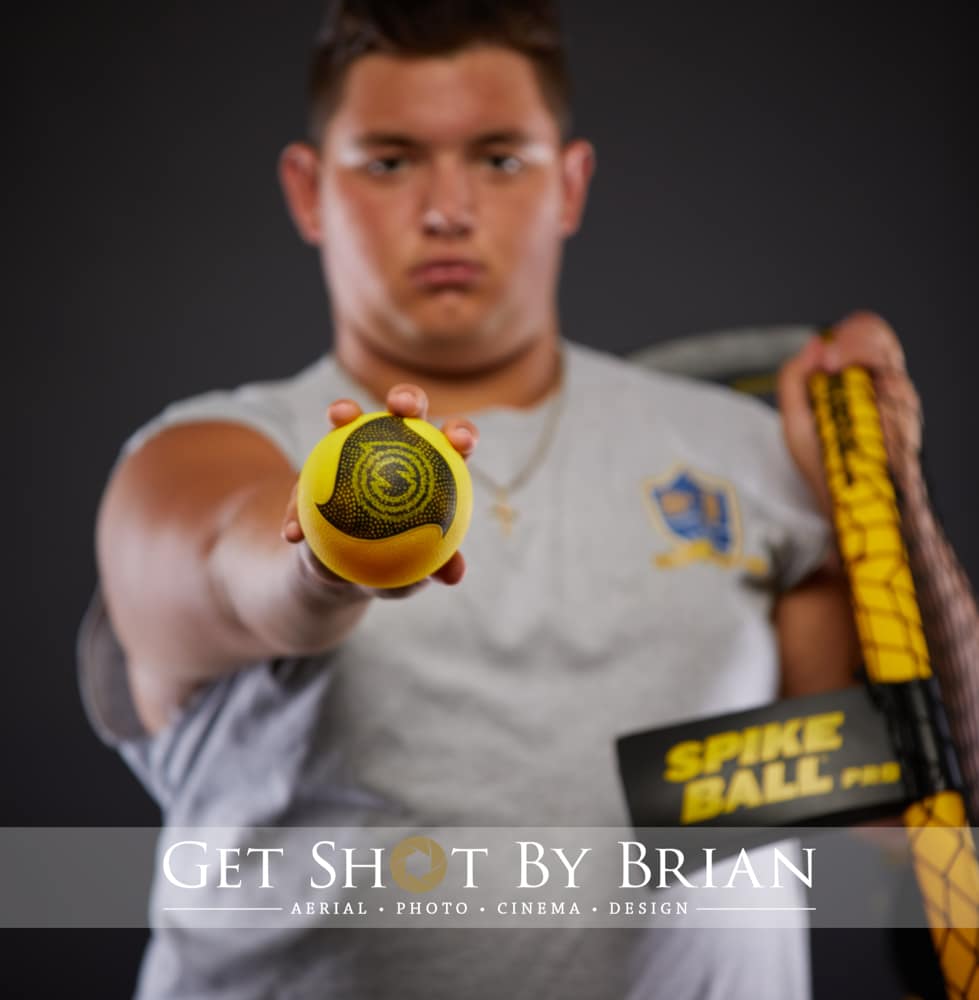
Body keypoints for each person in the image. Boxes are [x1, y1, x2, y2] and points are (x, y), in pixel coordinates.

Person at [77, 2, 978, 998]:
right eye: (389, 161)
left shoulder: (749, 458)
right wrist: (331, 551)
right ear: (309, 190)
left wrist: (884, 499)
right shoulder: (194, 459)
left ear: (570, 184)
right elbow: (234, 570)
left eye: (500, 159)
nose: (447, 209)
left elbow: (915, 792)